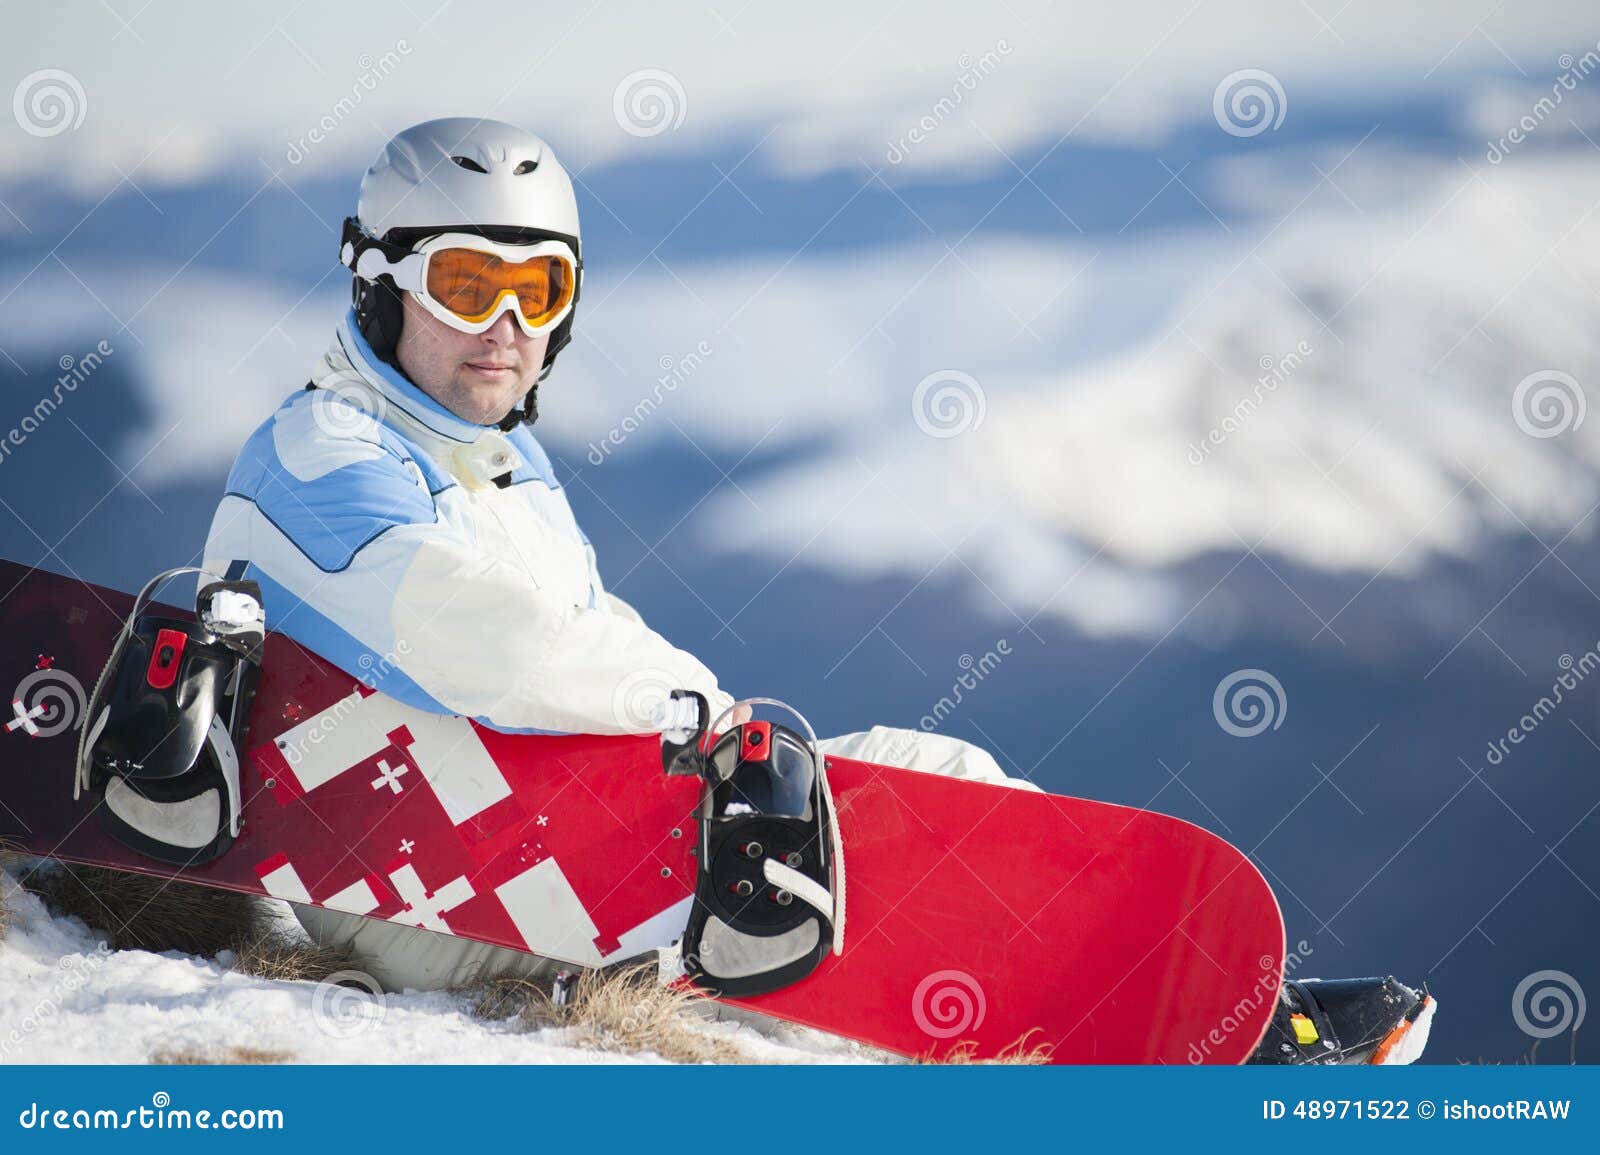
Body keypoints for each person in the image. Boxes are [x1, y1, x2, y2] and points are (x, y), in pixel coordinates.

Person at [200, 117, 1025, 994]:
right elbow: (491, 640)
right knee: (896, 855)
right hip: (432, 888)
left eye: (539, 290)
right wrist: (715, 723)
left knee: (943, 781)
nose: (507, 326)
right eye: (467, 285)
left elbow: (588, 628)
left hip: (533, 841)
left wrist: (730, 737)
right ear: (380, 282)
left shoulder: (499, 460)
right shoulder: (321, 452)